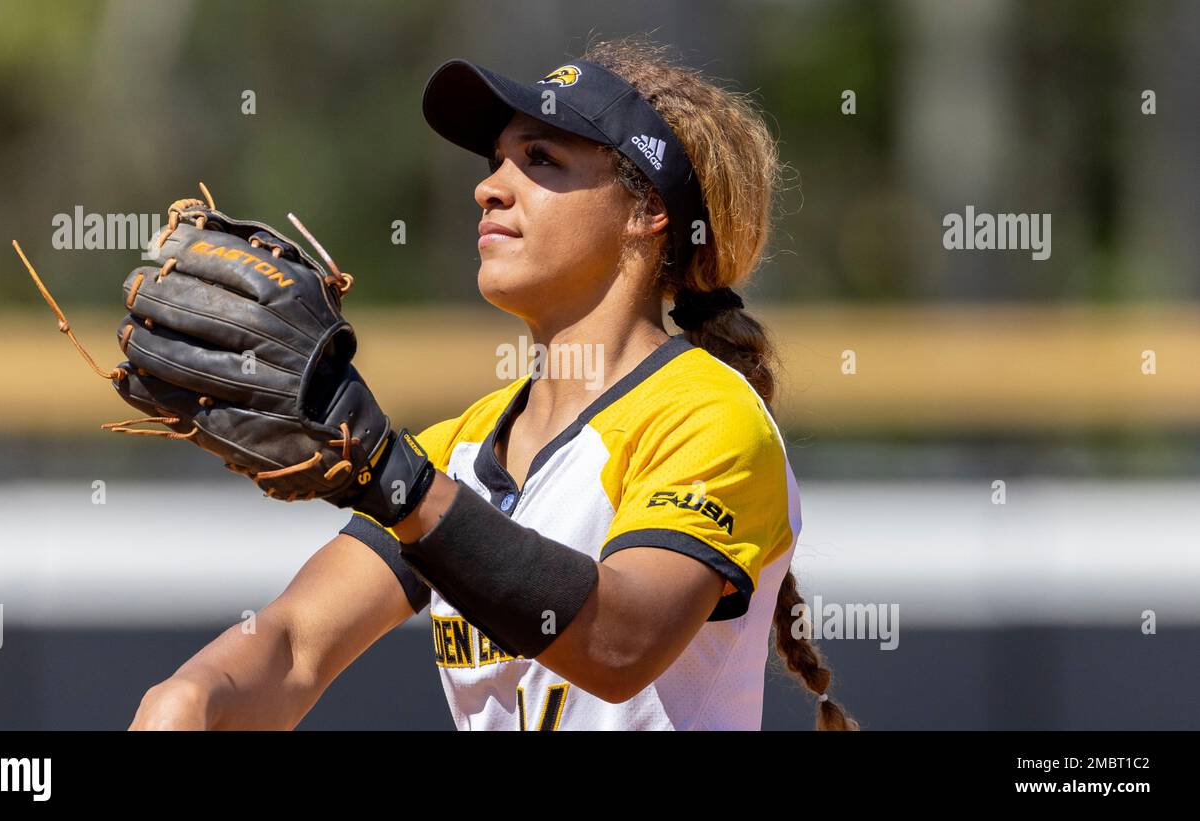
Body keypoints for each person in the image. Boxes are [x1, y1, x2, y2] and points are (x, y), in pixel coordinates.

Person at [130, 38, 857, 731]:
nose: (488, 188)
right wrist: (192, 695)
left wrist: (397, 481)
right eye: (494, 160)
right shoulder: (459, 449)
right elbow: (294, 645)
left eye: (539, 159)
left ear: (648, 212)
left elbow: (618, 644)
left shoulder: (710, 416)